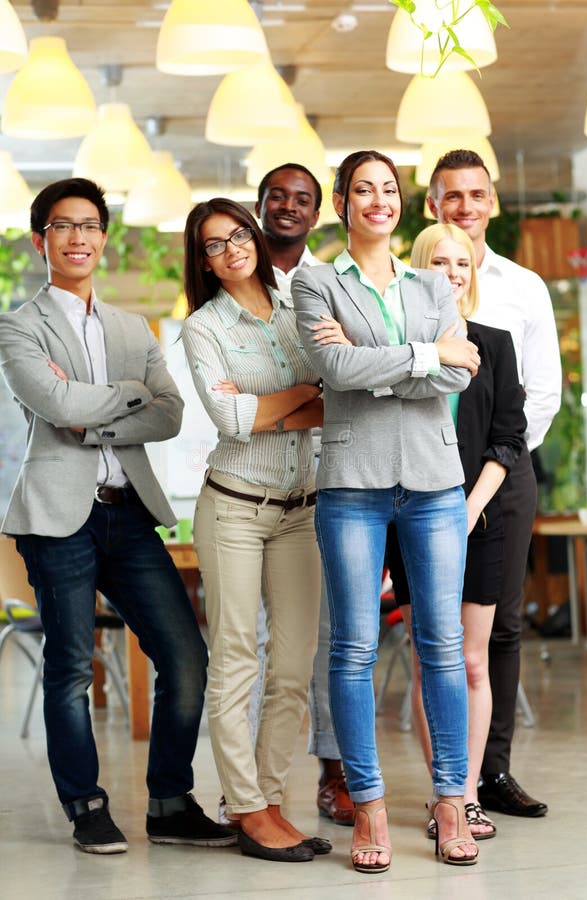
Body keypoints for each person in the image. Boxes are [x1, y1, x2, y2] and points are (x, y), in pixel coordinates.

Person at [0, 177, 236, 854]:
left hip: (128, 513)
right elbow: (56, 406)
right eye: (64, 226)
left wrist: (99, 406)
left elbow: (169, 413)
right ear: (41, 238)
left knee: (186, 657)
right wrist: (116, 403)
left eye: (90, 226)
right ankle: (86, 805)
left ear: (104, 237)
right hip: (57, 519)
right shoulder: (19, 325)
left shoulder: (132, 328)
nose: (79, 238)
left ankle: (169, 801)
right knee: (72, 668)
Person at [292, 150, 481, 873]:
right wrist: (423, 356)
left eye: (389, 189)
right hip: (352, 485)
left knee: (440, 646)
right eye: (364, 189)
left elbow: (463, 367)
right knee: (353, 649)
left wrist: (398, 360)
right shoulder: (315, 282)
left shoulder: (434, 282)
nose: (379, 200)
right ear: (342, 202)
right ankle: (366, 803)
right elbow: (335, 372)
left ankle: (450, 802)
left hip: (434, 484)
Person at [180, 197, 327, 864]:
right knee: (238, 658)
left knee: (293, 666)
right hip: (235, 506)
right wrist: (302, 395)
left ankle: (268, 800)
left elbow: (341, 394)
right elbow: (233, 420)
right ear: (204, 263)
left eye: (238, 233)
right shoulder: (204, 328)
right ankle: (244, 806)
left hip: (302, 511)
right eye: (215, 244)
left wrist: (270, 403)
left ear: (256, 237)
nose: (232, 248)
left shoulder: (304, 304)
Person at [427, 149, 561, 818]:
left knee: (502, 627)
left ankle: (491, 775)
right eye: (453, 195)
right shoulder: (416, 276)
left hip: (504, 471)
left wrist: (489, 469)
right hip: (425, 475)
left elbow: (541, 396)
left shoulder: (525, 286)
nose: (466, 206)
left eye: (477, 195)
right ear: (433, 204)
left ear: (493, 202)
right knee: (438, 633)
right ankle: (451, 782)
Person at [387, 223, 527, 841]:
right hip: (411, 516)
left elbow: (508, 439)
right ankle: (446, 793)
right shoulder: (400, 348)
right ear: (419, 272)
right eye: (438, 262)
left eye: (462, 263)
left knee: (471, 660)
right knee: (427, 661)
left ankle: (466, 796)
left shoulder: (495, 345)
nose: (452, 273)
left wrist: (469, 509)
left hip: (480, 519)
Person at [255, 162, 354, 827]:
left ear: (318, 214)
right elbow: (228, 399)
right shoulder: (236, 284)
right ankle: (261, 787)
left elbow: (347, 385)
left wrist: (272, 405)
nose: (289, 207)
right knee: (262, 643)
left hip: (329, 481)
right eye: (277, 197)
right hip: (257, 483)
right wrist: (287, 404)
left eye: (302, 200)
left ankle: (335, 770)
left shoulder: (334, 285)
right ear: (258, 205)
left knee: (332, 635)